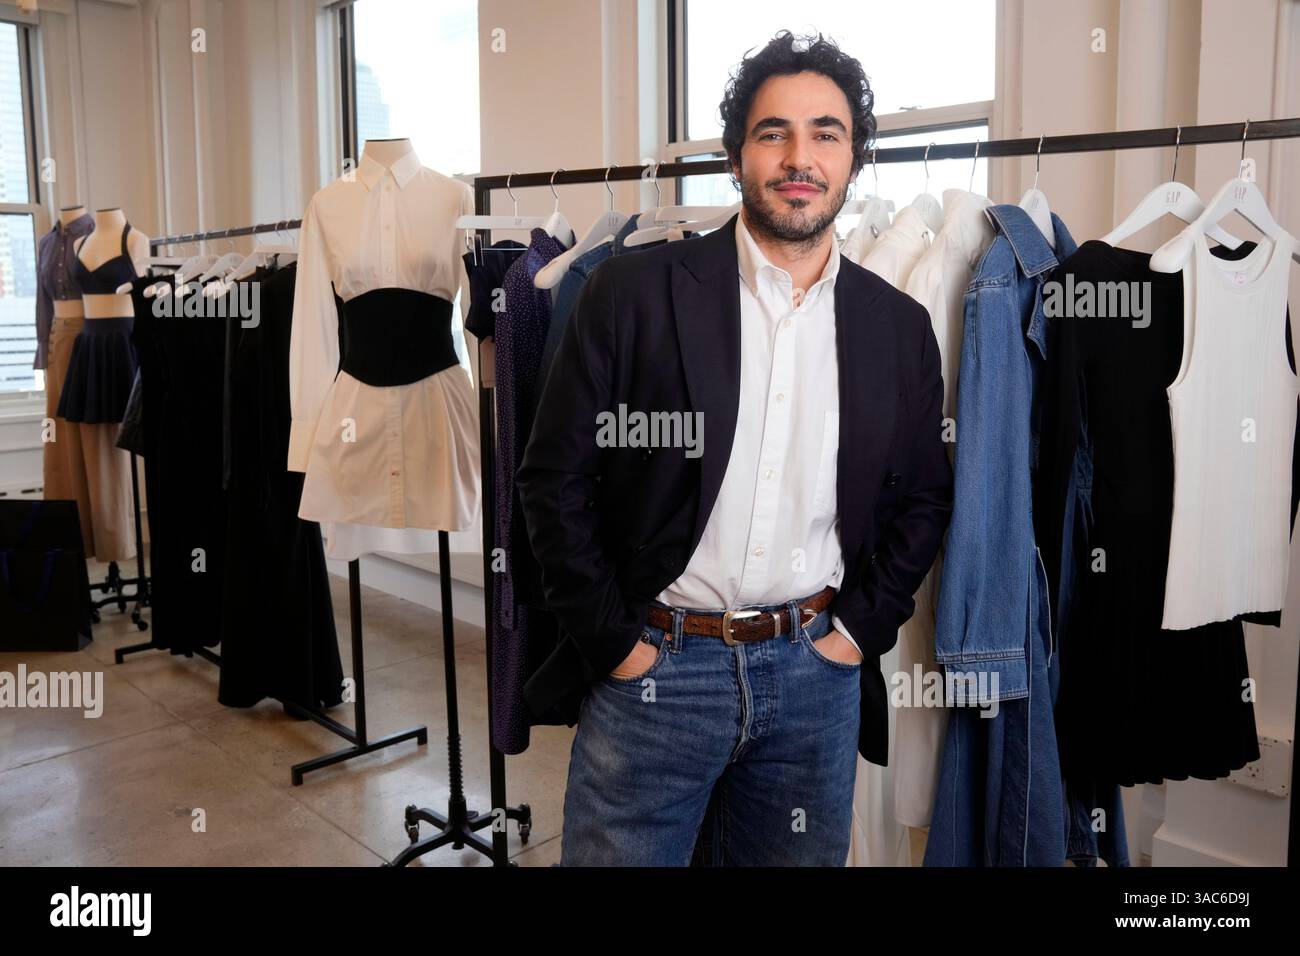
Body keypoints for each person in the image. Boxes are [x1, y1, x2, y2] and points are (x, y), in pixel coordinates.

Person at [517, 30, 953, 866]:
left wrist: (858, 631)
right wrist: (614, 642)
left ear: (854, 158)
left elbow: (926, 496)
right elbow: (554, 479)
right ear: (735, 157)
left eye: (826, 133)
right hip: (655, 675)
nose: (801, 156)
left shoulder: (898, 327)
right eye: (773, 132)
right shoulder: (631, 293)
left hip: (813, 679)